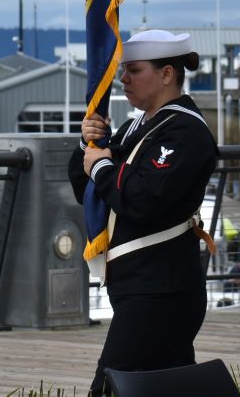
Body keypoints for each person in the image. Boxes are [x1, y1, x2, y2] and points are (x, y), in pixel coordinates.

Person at [68, 30, 219, 396]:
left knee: (108, 388)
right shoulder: (139, 126)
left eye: (134, 70)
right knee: (171, 388)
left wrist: (102, 166)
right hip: (142, 285)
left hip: (160, 289)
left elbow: (143, 198)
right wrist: (87, 144)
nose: (123, 79)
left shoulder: (184, 130)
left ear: (167, 74)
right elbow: (87, 191)